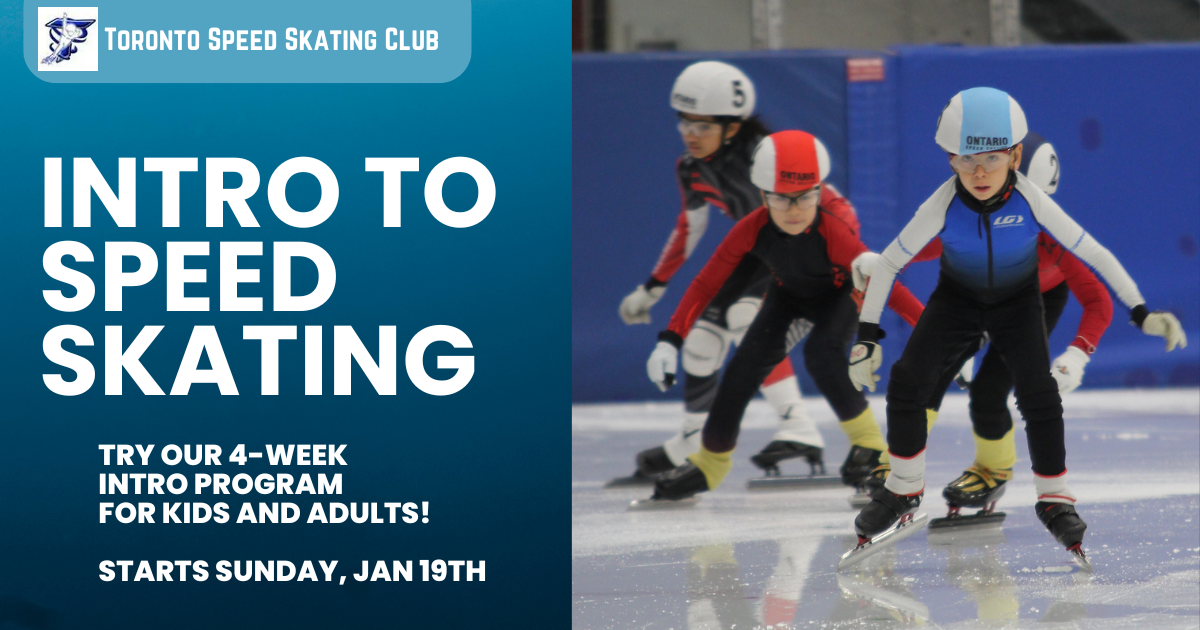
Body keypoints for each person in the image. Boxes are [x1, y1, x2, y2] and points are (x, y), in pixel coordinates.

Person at [847, 88, 1186, 559]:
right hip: (957, 301)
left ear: (1015, 155)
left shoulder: (1032, 202)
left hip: (1020, 304)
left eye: (991, 157)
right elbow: (890, 264)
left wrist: (1141, 311)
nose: (980, 172)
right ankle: (904, 488)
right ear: (949, 160)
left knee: (1037, 394)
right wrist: (867, 336)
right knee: (908, 381)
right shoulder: (942, 204)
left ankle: (1054, 498)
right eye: (966, 160)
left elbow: (1094, 253)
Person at [644, 129, 925, 500]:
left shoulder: (835, 232)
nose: (794, 210)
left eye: (805, 197)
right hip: (788, 296)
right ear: (762, 196)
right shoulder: (751, 228)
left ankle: (872, 448)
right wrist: (670, 340)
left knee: (822, 353)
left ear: (820, 193)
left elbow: (888, 286)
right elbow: (705, 284)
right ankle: (711, 465)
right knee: (742, 370)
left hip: (841, 294)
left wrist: (933, 333)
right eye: (781, 199)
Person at [854, 132, 1115, 518]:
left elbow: (1098, 301)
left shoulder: (1052, 237)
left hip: (1033, 303)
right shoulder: (973, 213)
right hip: (974, 294)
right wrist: (883, 264)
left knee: (990, 392)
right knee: (929, 377)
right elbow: (923, 246)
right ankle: (902, 467)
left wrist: (1078, 354)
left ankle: (994, 469)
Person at [616, 60, 824, 483]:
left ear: (733, 127)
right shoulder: (691, 168)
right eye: (685, 123)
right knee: (700, 343)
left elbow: (823, 200)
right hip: (755, 257)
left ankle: (799, 426)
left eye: (704, 126)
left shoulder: (768, 153)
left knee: (746, 319)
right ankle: (692, 440)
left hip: (803, 250)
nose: (692, 134)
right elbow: (688, 228)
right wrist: (652, 287)